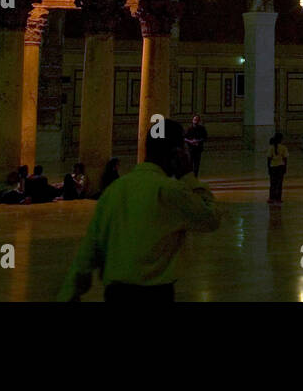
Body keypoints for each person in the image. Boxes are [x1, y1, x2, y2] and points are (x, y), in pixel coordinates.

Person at [58, 119, 221, 301]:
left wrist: (69, 293)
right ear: (177, 154)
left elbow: (89, 249)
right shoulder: (171, 191)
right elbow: (210, 218)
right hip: (155, 295)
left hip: (115, 294)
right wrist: (188, 177)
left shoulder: (115, 189)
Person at [267, 132, 288, 203]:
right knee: (279, 183)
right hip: (281, 167)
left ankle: (271, 198)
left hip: (273, 167)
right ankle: (278, 198)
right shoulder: (283, 148)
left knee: (272, 183)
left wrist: (268, 168)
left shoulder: (271, 147)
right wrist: (285, 167)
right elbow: (285, 158)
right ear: (281, 139)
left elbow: (269, 158)